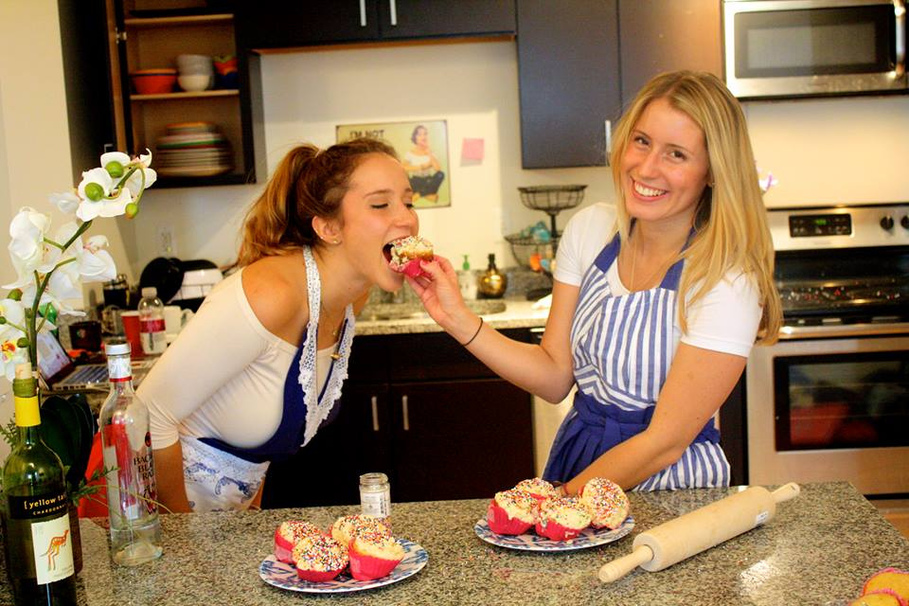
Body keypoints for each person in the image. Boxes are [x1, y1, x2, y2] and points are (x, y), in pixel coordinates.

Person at [408, 71, 782, 494]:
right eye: (642, 141)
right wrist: (458, 318)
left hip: (671, 488)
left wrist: (561, 503)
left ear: (713, 171)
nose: (646, 167)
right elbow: (554, 377)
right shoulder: (592, 230)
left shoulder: (726, 278)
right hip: (581, 458)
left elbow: (664, 443)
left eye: (676, 154)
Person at [139, 138, 420, 512]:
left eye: (409, 201)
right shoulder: (272, 295)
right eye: (381, 204)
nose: (406, 218)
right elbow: (147, 412)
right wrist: (179, 540)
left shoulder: (351, 298)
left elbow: (266, 416)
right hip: (153, 525)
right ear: (328, 228)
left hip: (224, 531)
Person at [402, 124, 445, 202]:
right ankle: (428, 195)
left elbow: (438, 169)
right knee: (404, 177)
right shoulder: (410, 153)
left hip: (428, 181)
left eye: (425, 134)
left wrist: (429, 152)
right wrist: (422, 167)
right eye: (420, 134)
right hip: (415, 180)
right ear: (415, 137)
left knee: (441, 174)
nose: (423, 136)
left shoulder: (430, 153)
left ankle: (418, 194)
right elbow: (403, 168)